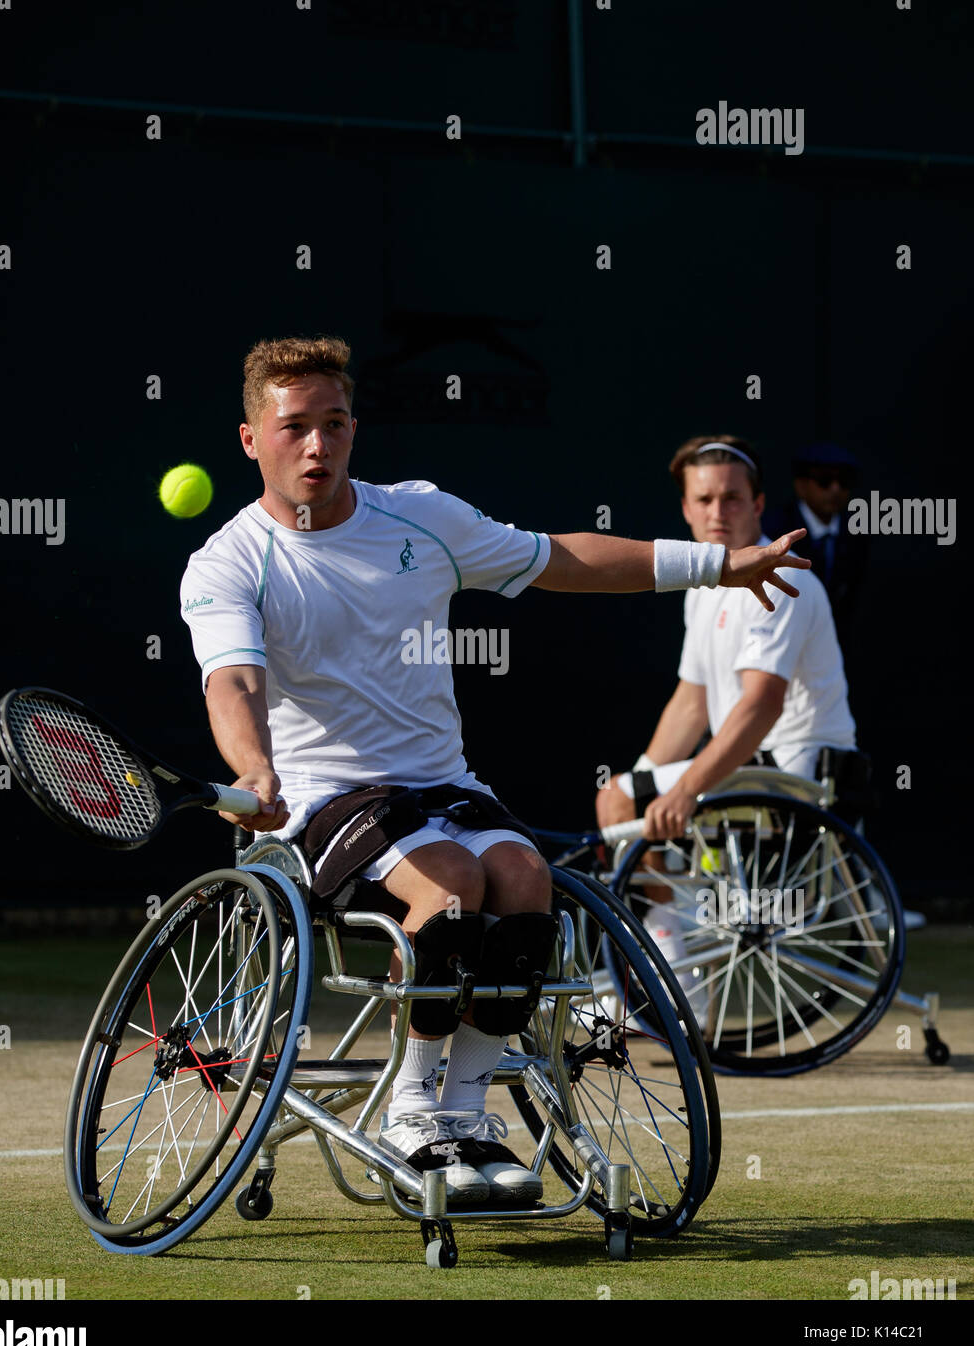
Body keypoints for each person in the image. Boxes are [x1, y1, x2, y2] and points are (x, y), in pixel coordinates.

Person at [180, 343, 808, 1207]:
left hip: (442, 784)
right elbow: (235, 681)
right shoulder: (227, 562)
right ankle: (410, 1109)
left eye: (333, 425)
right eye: (295, 429)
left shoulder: (421, 517)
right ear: (253, 439)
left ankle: (465, 1113)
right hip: (325, 798)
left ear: (354, 428)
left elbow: (563, 558)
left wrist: (715, 564)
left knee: (523, 880)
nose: (317, 446)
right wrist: (254, 767)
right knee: (453, 888)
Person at [595, 436, 858, 995]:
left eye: (733, 499)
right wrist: (637, 795)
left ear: (759, 506)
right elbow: (691, 704)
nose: (718, 512)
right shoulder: (704, 586)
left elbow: (761, 706)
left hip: (799, 778)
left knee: (619, 799)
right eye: (705, 500)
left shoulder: (783, 580)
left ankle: (681, 991)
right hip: (755, 772)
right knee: (620, 800)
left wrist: (680, 790)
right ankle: (680, 968)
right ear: (687, 509)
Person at [763, 443, 868, 662]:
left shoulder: (858, 532)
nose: (835, 489)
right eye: (824, 480)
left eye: (844, 481)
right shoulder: (773, 530)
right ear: (801, 486)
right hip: (782, 645)